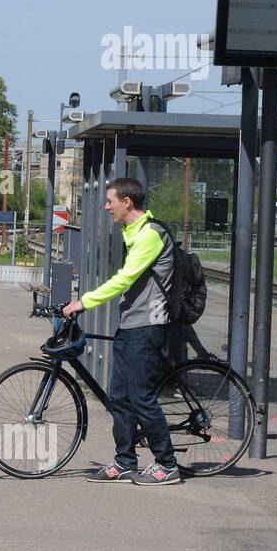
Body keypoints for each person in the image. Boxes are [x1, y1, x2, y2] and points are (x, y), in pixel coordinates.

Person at [63, 176, 182, 486]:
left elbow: (124, 279)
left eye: (110, 201)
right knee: (120, 396)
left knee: (141, 397)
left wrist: (84, 303)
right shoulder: (134, 232)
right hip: (131, 322)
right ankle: (124, 461)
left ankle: (167, 463)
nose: (106, 207)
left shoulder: (150, 236)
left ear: (126, 202)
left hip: (148, 325)